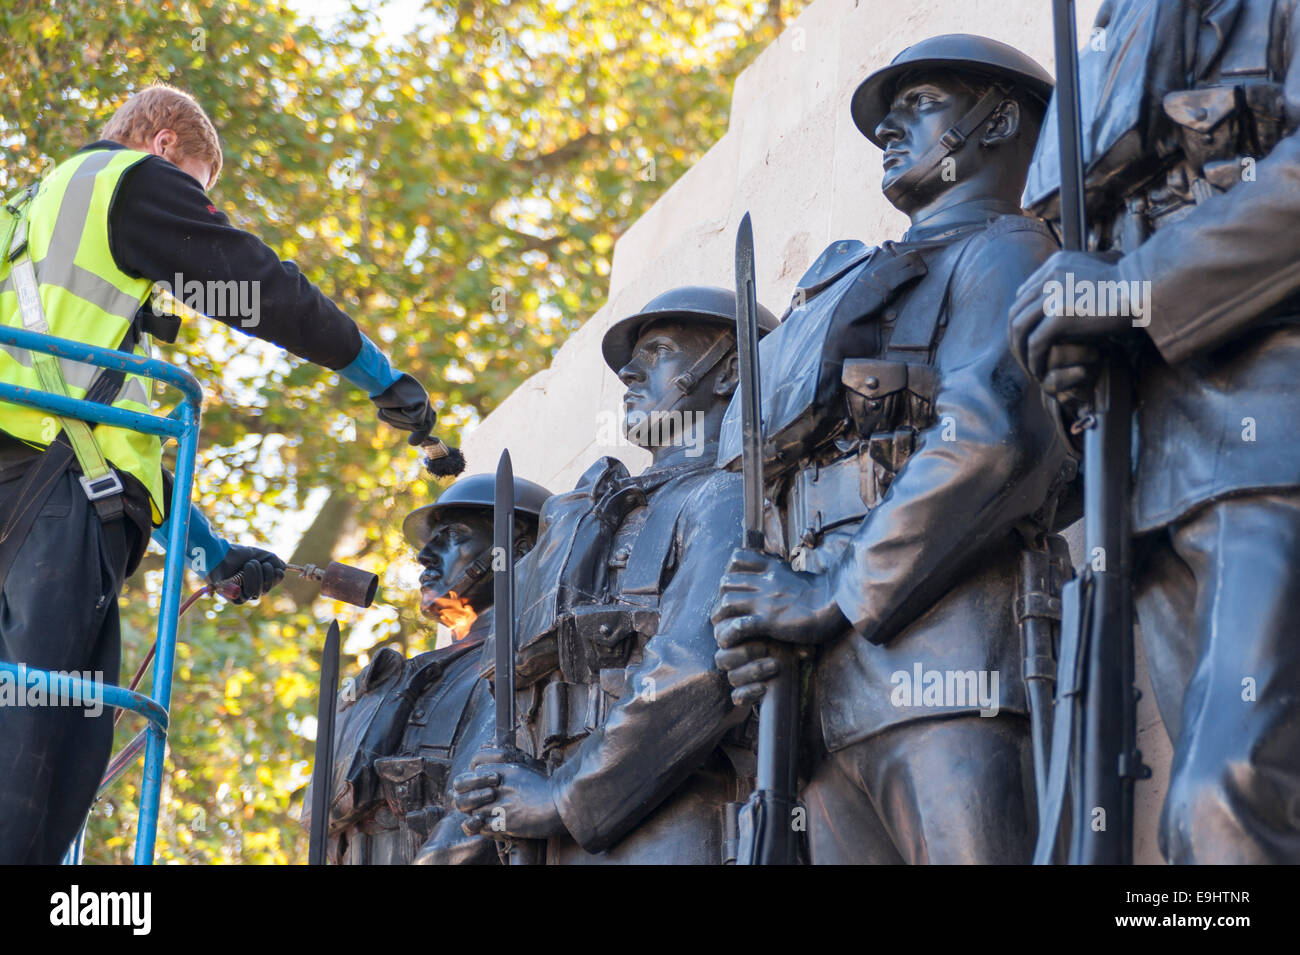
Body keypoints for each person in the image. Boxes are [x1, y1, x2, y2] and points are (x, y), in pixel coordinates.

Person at [0, 84, 440, 863]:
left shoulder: (26, 222)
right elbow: (256, 284)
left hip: (36, 487)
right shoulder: (126, 182)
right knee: (41, 750)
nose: (191, 212)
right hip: (50, 514)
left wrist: (209, 551)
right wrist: (378, 374)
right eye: (197, 191)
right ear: (164, 146)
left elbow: (98, 434)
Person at [710, 36, 1075, 863]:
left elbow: (993, 439)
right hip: (824, 692)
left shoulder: (1006, 250)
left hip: (947, 662)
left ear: (999, 120)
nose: (888, 131)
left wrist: (833, 589)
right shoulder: (870, 285)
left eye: (919, 105)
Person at [1010, 0, 1300, 863]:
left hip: (1274, 427)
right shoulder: (1111, 36)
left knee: (1222, 808)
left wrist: (1128, 290)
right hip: (1144, 469)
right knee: (1193, 834)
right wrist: (1065, 356)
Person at [448, 287, 777, 864]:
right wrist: (496, 784)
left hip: (668, 815)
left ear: (727, 373)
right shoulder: (591, 518)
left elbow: (695, 665)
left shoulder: (723, 495)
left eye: (659, 351)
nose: (628, 372)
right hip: (560, 825)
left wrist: (563, 797)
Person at [306, 471, 549, 864]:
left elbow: (477, 816)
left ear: (517, 551)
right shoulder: (384, 684)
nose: (424, 555)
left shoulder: (529, 662)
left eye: (453, 535)